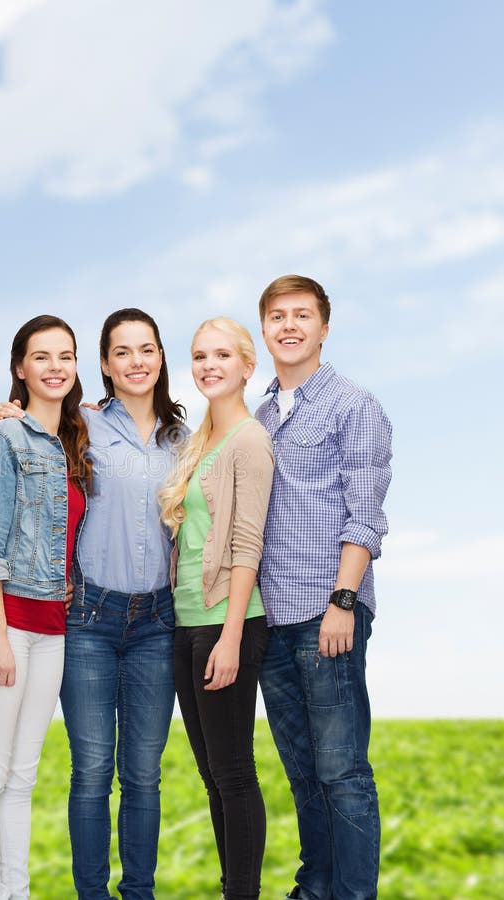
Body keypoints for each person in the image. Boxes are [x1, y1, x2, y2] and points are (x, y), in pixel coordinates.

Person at [0, 308, 186, 900]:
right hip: (89, 622)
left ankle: (139, 892)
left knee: (144, 776)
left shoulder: (184, 438)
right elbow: (26, 447)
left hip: (158, 621)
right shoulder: (78, 423)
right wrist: (9, 415)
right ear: (104, 365)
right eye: (122, 352)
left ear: (160, 357)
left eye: (147, 349)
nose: (136, 362)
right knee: (93, 772)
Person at [254, 275, 392, 900]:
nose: (289, 325)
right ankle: (315, 888)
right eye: (278, 316)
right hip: (271, 618)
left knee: (342, 770)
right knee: (303, 771)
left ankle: (353, 893)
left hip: (326, 611)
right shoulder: (257, 417)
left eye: (301, 315)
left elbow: (365, 513)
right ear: (264, 329)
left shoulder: (353, 405)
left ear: (323, 327)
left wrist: (343, 602)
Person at [0, 315, 91, 900]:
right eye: (42, 356)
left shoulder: (74, 443)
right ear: (20, 368)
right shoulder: (2, 440)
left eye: (65, 355)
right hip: (2, 622)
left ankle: (18, 892)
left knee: (22, 776)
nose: (55, 366)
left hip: (53, 628)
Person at [160, 318, 274, 900]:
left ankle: (243, 894)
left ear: (247, 367)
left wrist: (230, 638)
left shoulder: (249, 441)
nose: (209, 365)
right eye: (201, 355)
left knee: (233, 774)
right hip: (186, 625)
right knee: (212, 776)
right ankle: (234, 885)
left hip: (226, 624)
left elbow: (247, 544)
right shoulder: (199, 441)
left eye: (223, 355)